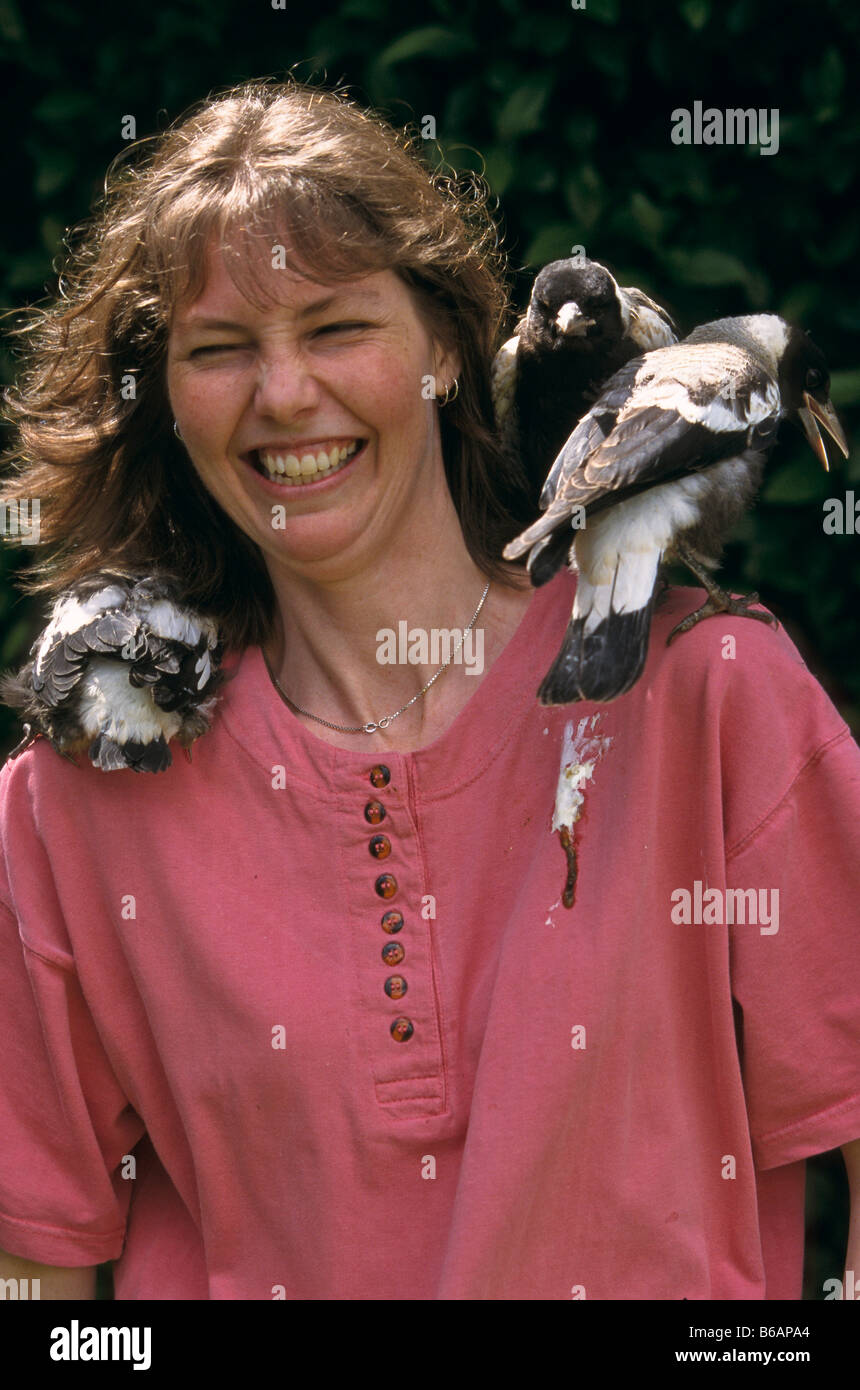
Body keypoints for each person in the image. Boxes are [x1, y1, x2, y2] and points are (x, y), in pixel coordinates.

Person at [0, 78, 858, 1302]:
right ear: (169, 401)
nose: (283, 393)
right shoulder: (78, 795)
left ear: (449, 348)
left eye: (337, 327)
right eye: (219, 348)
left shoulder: (711, 699)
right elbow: (35, 1274)